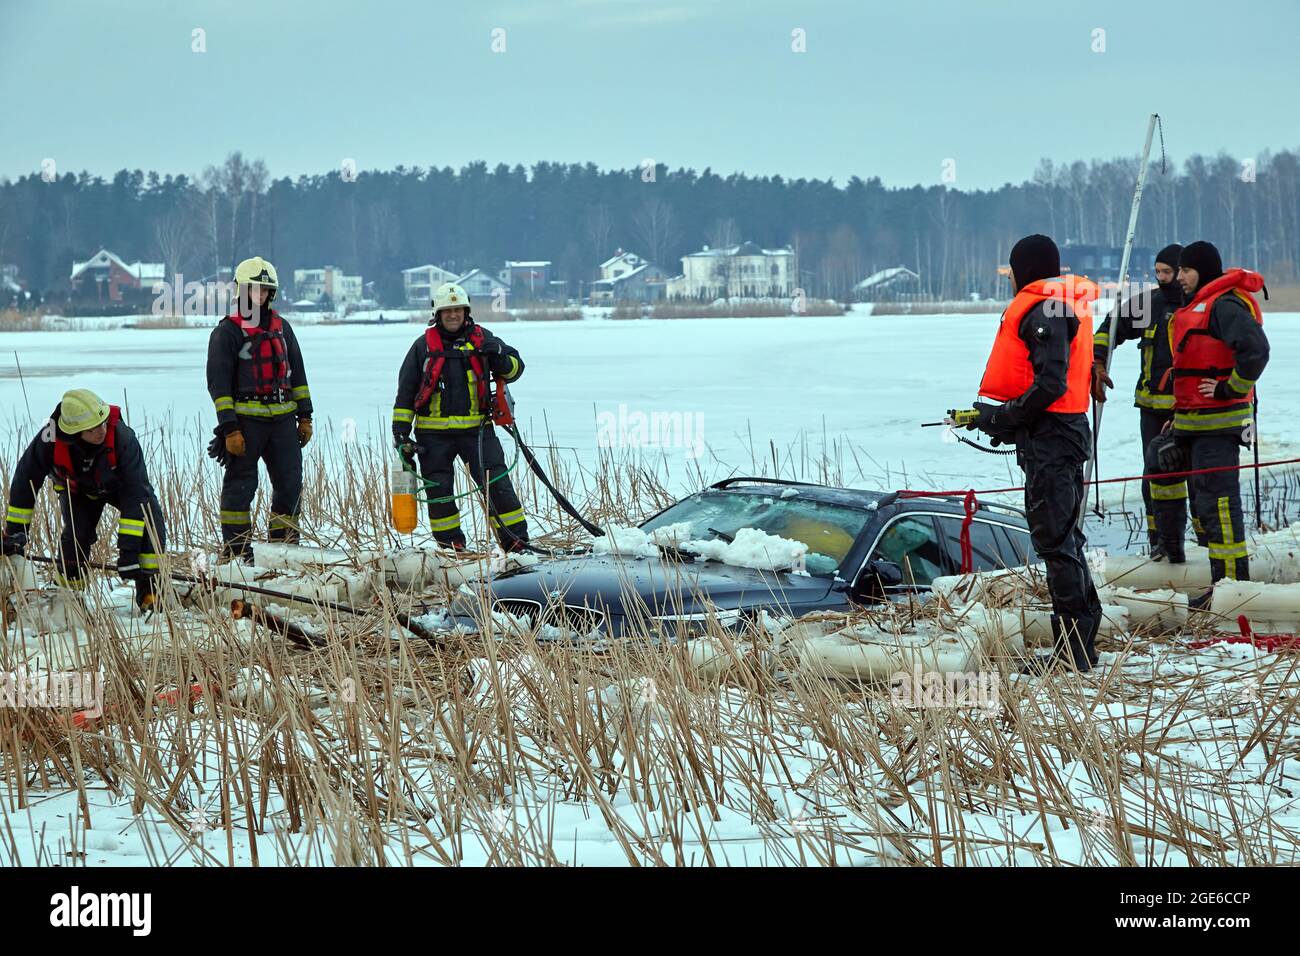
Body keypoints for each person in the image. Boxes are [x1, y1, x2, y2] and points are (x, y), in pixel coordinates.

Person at [952, 234, 1104, 672]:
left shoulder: (1046, 309)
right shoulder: (1058, 304)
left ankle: (1074, 652)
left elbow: (1050, 384)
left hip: (1056, 439)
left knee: (1056, 542)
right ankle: (1081, 640)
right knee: (1064, 538)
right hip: (1057, 433)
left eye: (1012, 269)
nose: (1010, 277)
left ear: (1025, 269)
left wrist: (1004, 418)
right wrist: (1005, 421)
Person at [1160, 240, 1268, 588]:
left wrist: (1227, 389)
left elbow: (1256, 352)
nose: (1180, 278)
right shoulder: (1198, 306)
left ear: (1203, 270)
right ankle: (1193, 569)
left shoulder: (1224, 306)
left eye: (1187, 271)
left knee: (1220, 507)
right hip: (1192, 425)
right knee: (1199, 503)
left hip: (1217, 429)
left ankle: (1233, 589)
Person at [392, 282, 529, 551]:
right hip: (432, 437)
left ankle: (517, 545)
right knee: (439, 493)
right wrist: (400, 433)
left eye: (458, 310)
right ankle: (452, 549)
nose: (453, 315)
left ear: (466, 312)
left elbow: (515, 369)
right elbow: (405, 393)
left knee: (498, 486)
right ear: (437, 315)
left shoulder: (483, 339)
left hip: (477, 431)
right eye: (447, 311)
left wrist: (499, 355)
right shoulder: (422, 348)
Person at [1, 388, 166, 610]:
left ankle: (151, 594)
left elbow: (136, 495)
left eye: (103, 423)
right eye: (92, 428)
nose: (101, 431)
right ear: (73, 432)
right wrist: (15, 534)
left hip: (119, 487)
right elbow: (25, 483)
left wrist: (128, 553)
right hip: (77, 491)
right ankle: (68, 600)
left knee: (150, 520)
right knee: (76, 538)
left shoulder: (123, 438)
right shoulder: (48, 439)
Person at [206, 256, 313, 562]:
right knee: (241, 489)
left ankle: (283, 550)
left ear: (271, 294)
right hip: (245, 425)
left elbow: (299, 377)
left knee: (290, 486)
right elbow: (219, 386)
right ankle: (238, 552)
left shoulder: (283, 329)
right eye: (253, 289)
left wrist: (304, 416)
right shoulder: (227, 332)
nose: (259, 295)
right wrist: (230, 429)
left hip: (282, 423)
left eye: (264, 290)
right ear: (241, 291)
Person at [1091, 245, 1194, 559]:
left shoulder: (1200, 305)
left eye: (1168, 272)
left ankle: (1205, 547)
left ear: (1182, 271)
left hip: (1191, 409)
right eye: (1157, 272)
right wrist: (1097, 362)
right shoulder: (1148, 304)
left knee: (1198, 480)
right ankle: (1159, 543)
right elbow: (1109, 328)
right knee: (1154, 478)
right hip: (1151, 409)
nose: (1162, 279)